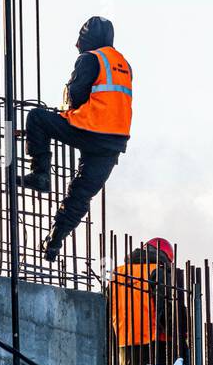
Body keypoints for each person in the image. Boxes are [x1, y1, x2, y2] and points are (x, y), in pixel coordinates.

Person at [18, 16, 132, 262]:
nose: (76, 45)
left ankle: (40, 174)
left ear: (87, 40)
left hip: (89, 129)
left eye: (80, 40)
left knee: (37, 118)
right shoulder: (123, 64)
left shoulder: (91, 58)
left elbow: (76, 94)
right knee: (80, 195)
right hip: (113, 143)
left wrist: (66, 112)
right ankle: (54, 241)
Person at [109, 238, 186, 365]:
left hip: (124, 348)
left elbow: (106, 313)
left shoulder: (116, 274)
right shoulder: (157, 271)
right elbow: (166, 310)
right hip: (155, 346)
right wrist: (180, 338)